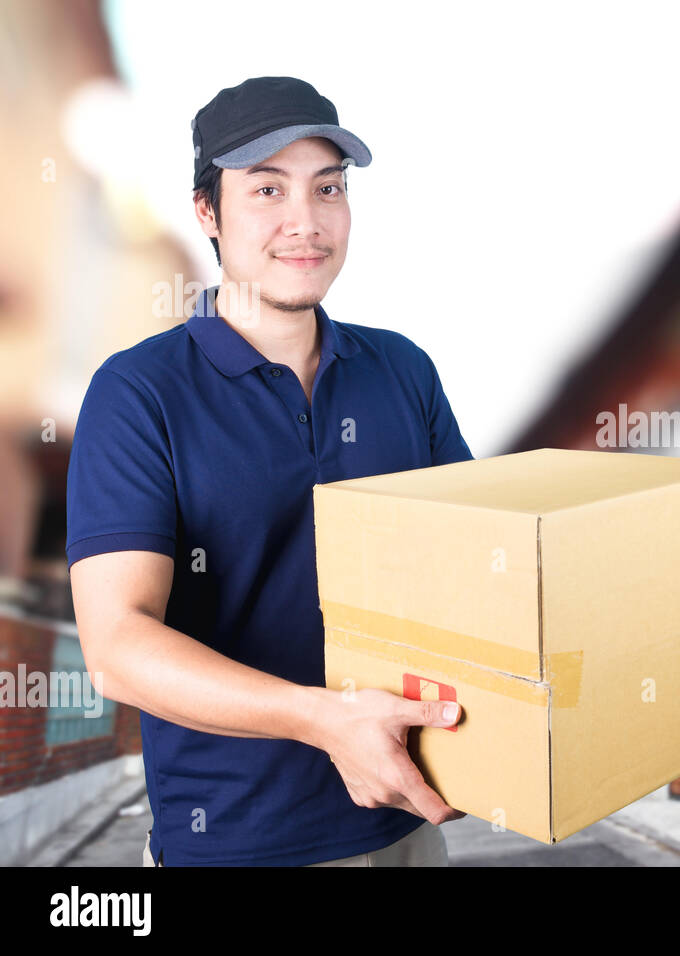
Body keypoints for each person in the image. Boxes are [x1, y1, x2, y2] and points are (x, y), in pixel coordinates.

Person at [66, 77, 471, 866]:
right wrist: (322, 718)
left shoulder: (402, 369)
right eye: (266, 189)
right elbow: (116, 646)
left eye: (328, 188)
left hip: (409, 822)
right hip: (235, 843)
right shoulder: (138, 392)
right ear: (206, 212)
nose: (305, 222)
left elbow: (469, 573)